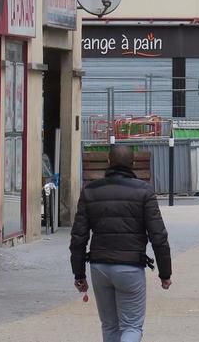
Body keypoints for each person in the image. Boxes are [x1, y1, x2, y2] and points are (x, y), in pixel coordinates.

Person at [70, 144, 172, 342]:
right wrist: (165, 273)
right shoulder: (144, 191)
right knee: (132, 326)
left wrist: (79, 274)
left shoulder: (90, 191)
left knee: (109, 325)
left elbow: (78, 237)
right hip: (130, 267)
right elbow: (158, 236)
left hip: (99, 266)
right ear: (132, 164)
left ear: (109, 162)